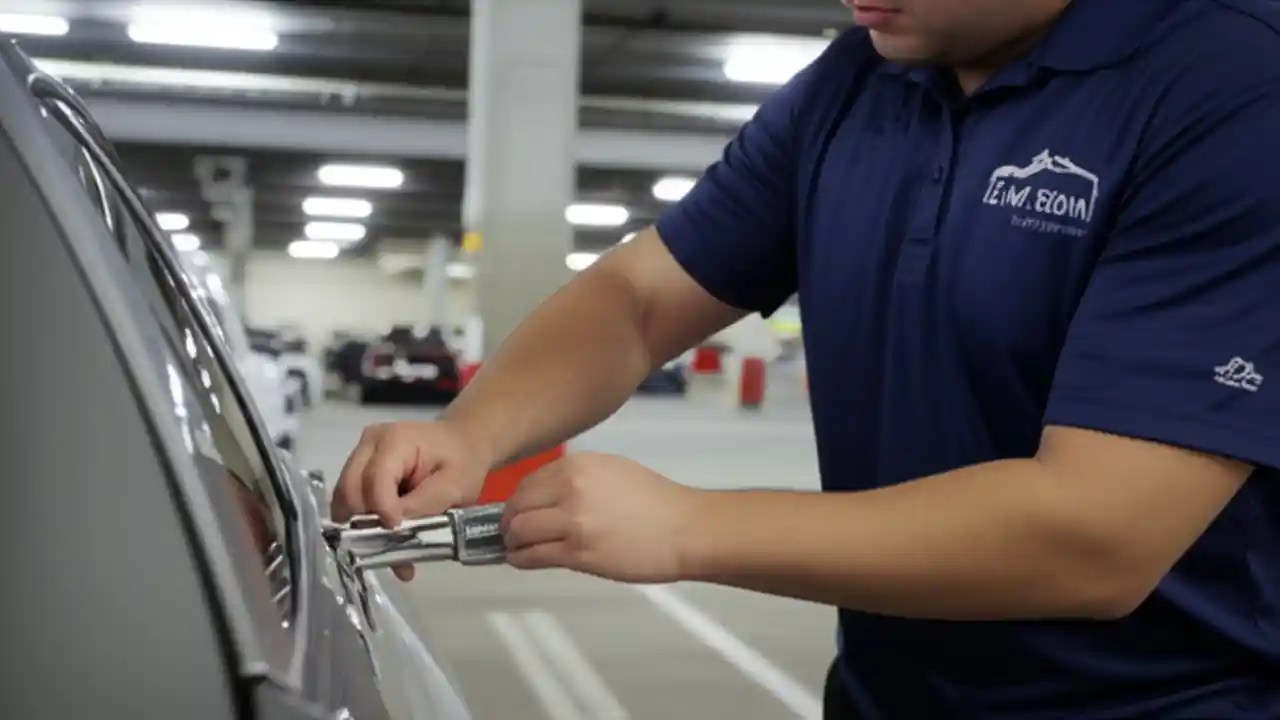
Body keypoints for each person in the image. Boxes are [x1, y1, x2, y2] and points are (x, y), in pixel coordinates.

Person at [334, 0, 1280, 716]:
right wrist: (473, 430)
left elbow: (1096, 538)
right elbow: (643, 295)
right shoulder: (860, 81)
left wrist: (689, 527)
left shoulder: (1235, 90)